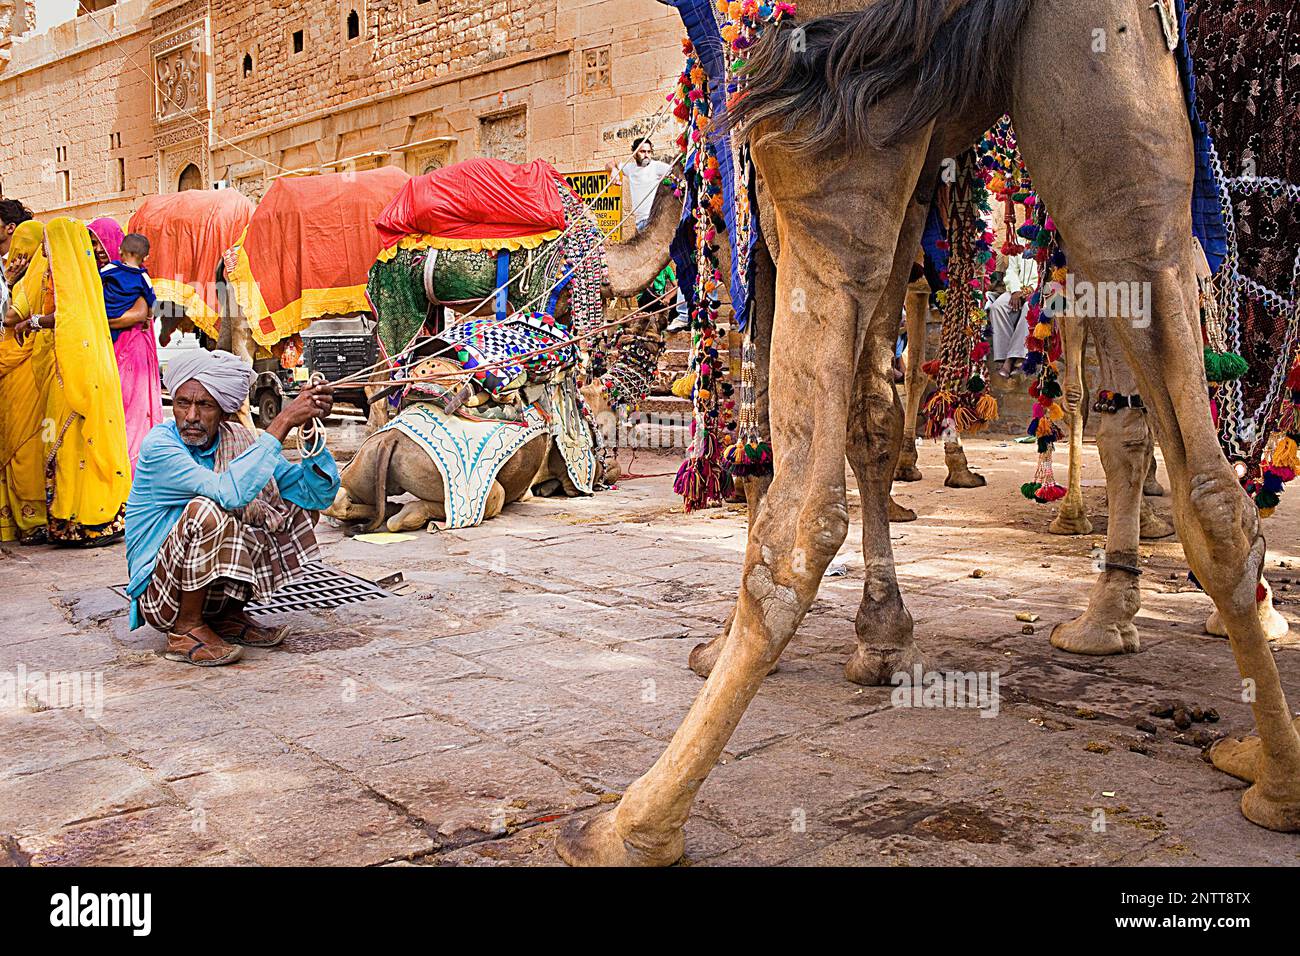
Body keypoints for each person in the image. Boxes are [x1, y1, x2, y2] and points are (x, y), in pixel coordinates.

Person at [125, 350, 340, 667]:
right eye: (183, 403)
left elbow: (314, 496)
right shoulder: (160, 445)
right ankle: (186, 629)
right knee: (208, 510)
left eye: (205, 405)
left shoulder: (238, 437)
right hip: (161, 596)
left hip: (213, 591)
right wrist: (282, 421)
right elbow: (229, 492)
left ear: (224, 412)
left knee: (294, 510)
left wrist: (307, 430)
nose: (192, 416)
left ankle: (227, 617)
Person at [3, 217, 131, 546]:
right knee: (66, 447)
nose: (44, 248)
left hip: (75, 375)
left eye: (48, 242)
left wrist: (35, 320)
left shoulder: (70, 281)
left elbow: (68, 317)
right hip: (66, 371)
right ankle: (70, 520)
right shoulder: (61, 278)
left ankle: (90, 521)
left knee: (75, 444)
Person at [0, 219, 49, 543]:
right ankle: (25, 521)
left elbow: (11, 317)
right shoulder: (23, 278)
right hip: (15, 368)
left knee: (27, 445)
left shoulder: (35, 278)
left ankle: (30, 519)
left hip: (25, 367)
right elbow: (9, 318)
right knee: (21, 445)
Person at [611, 139, 690, 332]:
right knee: (643, 271)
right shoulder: (630, 168)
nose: (646, 154)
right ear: (634, 153)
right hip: (640, 225)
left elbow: (679, 172)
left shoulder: (657, 167)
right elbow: (611, 163)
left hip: (656, 224)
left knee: (680, 261)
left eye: (648, 151)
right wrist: (613, 170)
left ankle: (683, 314)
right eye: (642, 151)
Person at [100, 232, 163, 474]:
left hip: (125, 345)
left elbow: (95, 281)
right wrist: (149, 317)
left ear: (119, 251)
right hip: (120, 343)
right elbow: (151, 301)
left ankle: (125, 464)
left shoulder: (108, 270)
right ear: (145, 257)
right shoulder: (144, 277)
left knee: (126, 409)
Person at [987, 253, 1040, 377]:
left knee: (1029, 308)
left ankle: (1012, 359)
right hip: (1016, 288)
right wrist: (1016, 290)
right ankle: (1004, 355)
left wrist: (1031, 290)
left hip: (1039, 290)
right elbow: (1011, 270)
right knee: (997, 307)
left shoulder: (1048, 240)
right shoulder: (1018, 240)